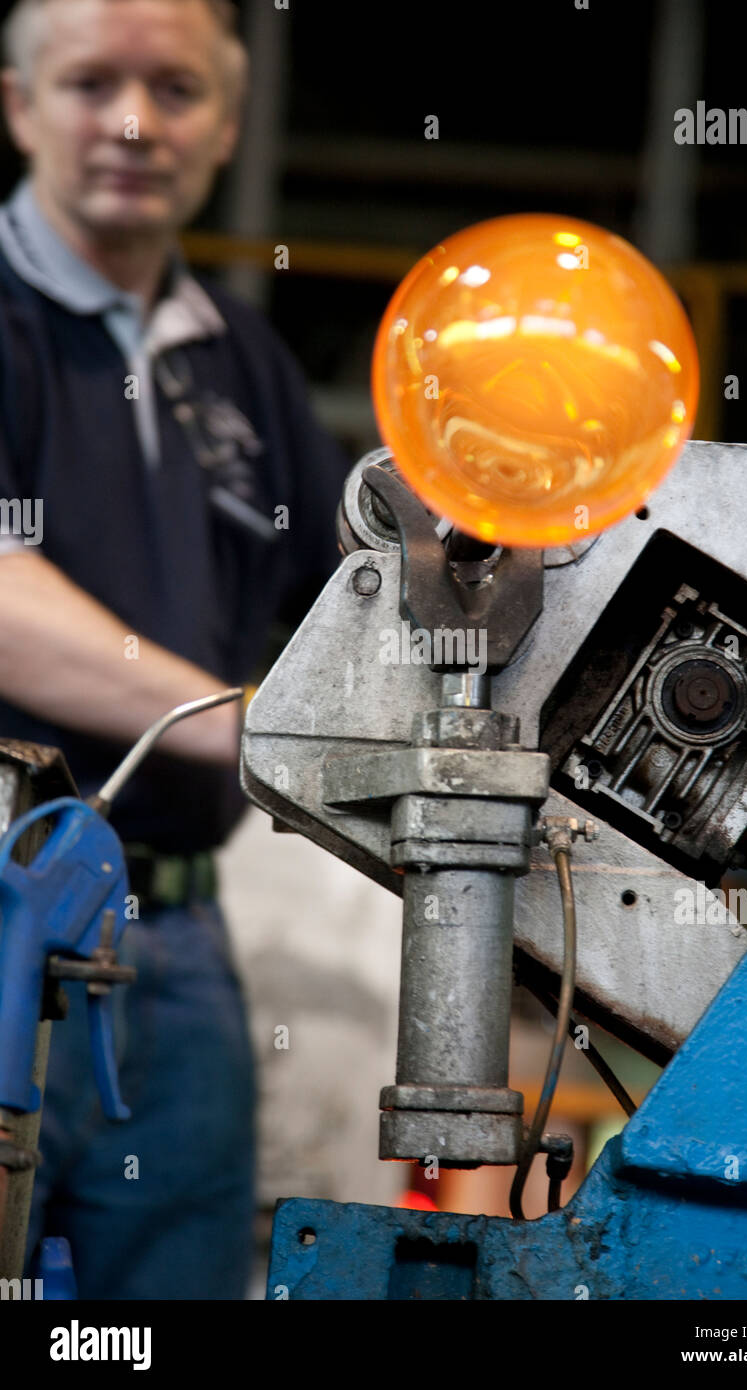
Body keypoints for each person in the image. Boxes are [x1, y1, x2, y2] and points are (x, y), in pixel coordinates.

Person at [0, 0, 349, 1298]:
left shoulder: (240, 363)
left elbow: (349, 620)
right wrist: (245, 723)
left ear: (228, 118)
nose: (136, 123)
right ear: (18, 105)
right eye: (93, 83)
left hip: (184, 943)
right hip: (4, 915)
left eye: (177, 88)